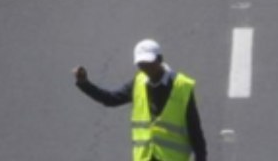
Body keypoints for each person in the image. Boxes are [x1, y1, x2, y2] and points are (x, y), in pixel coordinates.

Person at [74, 39, 209, 161]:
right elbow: (111, 99)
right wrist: (85, 83)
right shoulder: (138, 82)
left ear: (160, 59)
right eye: (141, 64)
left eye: (149, 63)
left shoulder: (181, 87)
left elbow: (194, 129)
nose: (145, 68)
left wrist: (201, 157)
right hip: (144, 157)